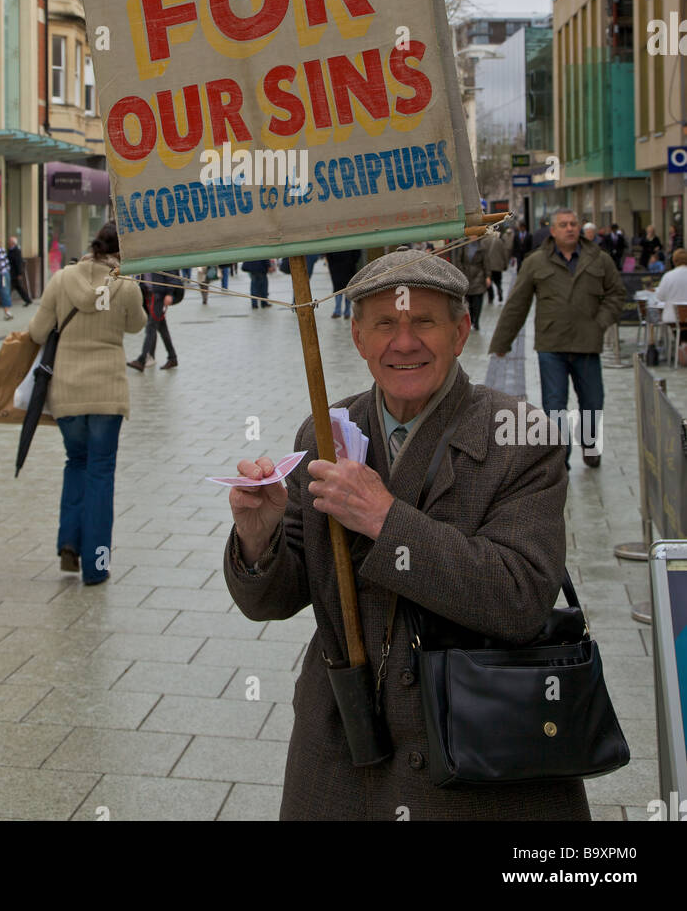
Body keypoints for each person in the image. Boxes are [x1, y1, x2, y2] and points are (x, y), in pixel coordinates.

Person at [223, 248, 589, 822]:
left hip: (477, 759)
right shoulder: (326, 429)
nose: (404, 342)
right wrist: (257, 536)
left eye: (424, 321)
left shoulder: (522, 436)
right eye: (385, 323)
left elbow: (519, 598)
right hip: (345, 754)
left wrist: (385, 520)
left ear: (461, 330)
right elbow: (273, 600)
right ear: (357, 335)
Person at [28, 222, 146, 584]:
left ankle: (68, 543)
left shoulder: (62, 280)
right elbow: (136, 326)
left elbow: (35, 332)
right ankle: (96, 566)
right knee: (100, 474)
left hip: (66, 392)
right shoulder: (125, 285)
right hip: (107, 395)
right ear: (119, 252)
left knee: (75, 463)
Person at [490, 208, 625, 468]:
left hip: (587, 342)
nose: (570, 228)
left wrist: (600, 323)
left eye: (573, 223)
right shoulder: (536, 261)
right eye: (563, 224)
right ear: (553, 230)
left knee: (593, 400)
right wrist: (501, 343)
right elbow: (517, 304)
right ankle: (560, 457)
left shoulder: (599, 259)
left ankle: (589, 442)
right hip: (551, 344)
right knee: (554, 404)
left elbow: (616, 294)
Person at [127, 268, 184, 370]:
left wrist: (170, 294)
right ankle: (173, 358)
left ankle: (142, 360)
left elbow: (172, 276)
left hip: (159, 296)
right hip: (148, 294)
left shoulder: (160, 256)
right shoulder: (143, 258)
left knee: (151, 327)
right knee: (162, 328)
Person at [451, 238, 489, 329]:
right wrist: (461, 273)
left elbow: (486, 262)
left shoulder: (482, 246)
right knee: (469, 300)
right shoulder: (464, 246)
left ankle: (477, 321)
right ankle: (471, 319)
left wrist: (488, 276)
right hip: (466, 275)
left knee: (478, 300)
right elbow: (458, 260)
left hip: (479, 275)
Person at [653, 249, 687, 349]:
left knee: (678, 328)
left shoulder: (668, 276)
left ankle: (680, 348)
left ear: (674, 261)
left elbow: (660, 297)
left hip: (673, 317)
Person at [326, 249, 361, 318]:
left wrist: (352, 261)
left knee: (345, 289)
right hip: (340, 266)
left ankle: (343, 311)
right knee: (341, 289)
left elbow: (357, 252)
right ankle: (342, 311)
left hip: (346, 266)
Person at [483, 229, 508, 303]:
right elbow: (504, 254)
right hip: (498, 266)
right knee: (498, 281)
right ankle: (499, 289)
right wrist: (505, 265)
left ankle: (491, 297)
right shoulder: (500, 241)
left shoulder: (484, 242)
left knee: (489, 282)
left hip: (488, 266)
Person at [7, 237, 32, 306]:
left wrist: (19, 273)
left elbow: (18, 263)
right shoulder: (9, 250)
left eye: (9, 241)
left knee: (14, 287)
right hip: (11, 272)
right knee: (16, 287)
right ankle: (27, 300)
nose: (8, 242)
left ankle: (6, 302)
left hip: (14, 273)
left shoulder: (16, 251)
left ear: (13, 243)